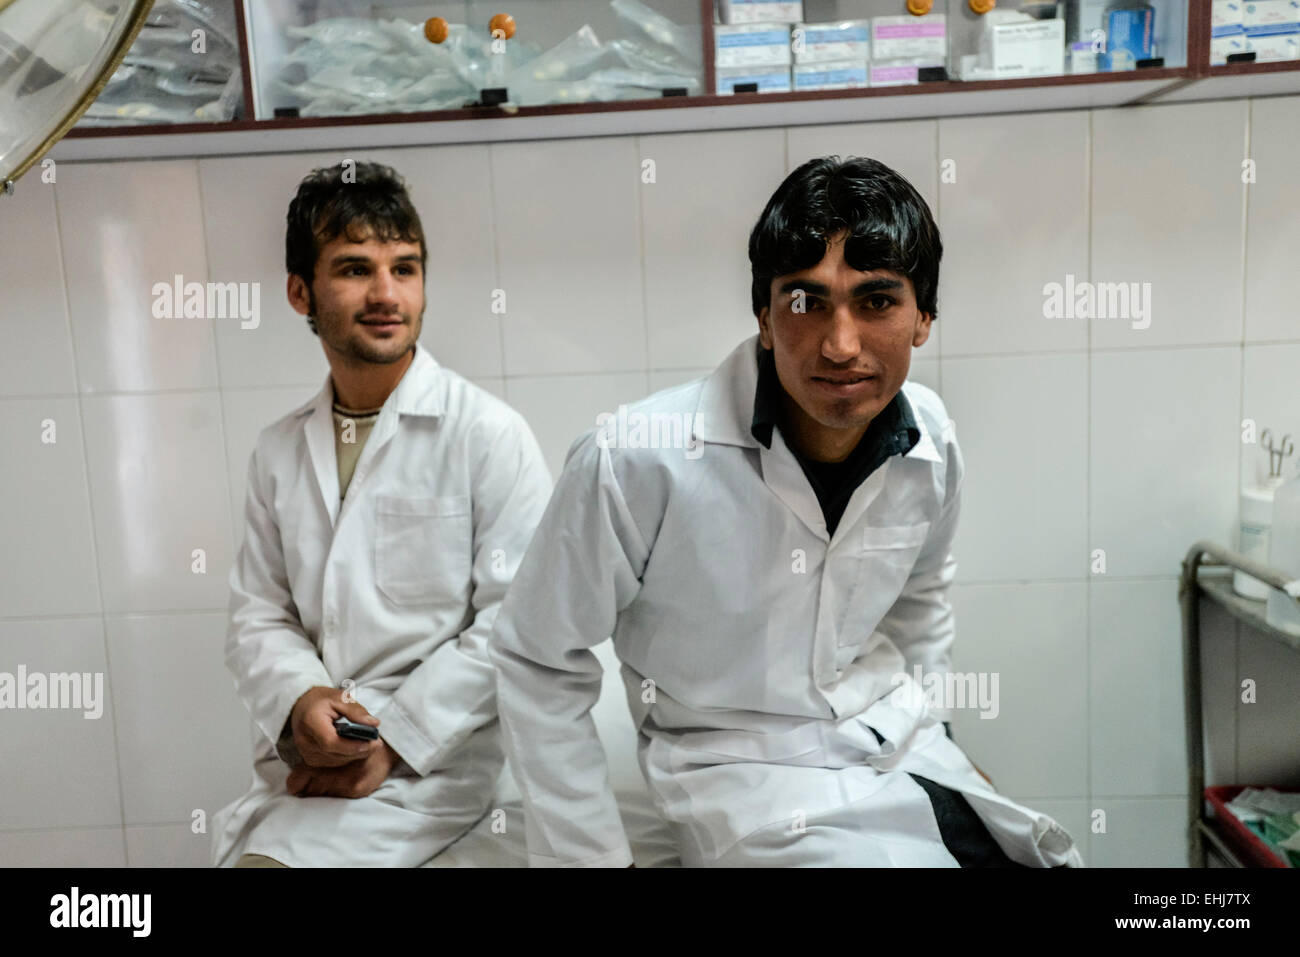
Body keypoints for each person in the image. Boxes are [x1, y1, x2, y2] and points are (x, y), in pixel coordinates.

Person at [488, 155, 1084, 867]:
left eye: (876, 300)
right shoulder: (637, 457)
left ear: (924, 317)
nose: (840, 344)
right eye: (806, 302)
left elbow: (921, 601)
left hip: (893, 744)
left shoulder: (931, 438)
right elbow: (536, 656)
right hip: (740, 776)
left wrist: (944, 744)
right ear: (765, 317)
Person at [211, 161, 551, 867]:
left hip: (438, 769)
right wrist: (302, 699)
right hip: (306, 768)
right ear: (300, 291)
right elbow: (258, 615)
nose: (386, 293)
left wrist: (390, 739)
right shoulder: (278, 451)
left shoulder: (487, 435)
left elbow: (518, 623)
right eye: (355, 269)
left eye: (406, 267)